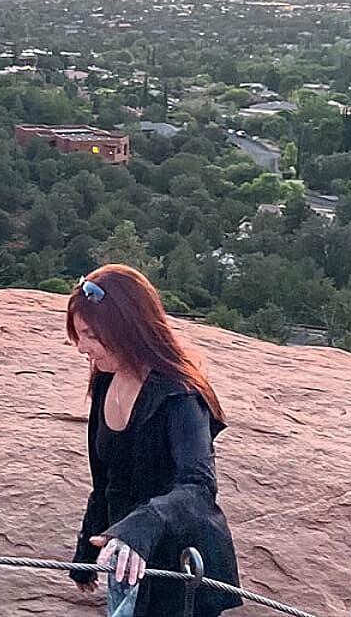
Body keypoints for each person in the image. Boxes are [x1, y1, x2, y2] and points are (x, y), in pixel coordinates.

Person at [66, 264, 241, 617]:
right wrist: (87, 549)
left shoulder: (180, 395)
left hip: (183, 571)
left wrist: (140, 527)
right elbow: (107, 481)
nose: (81, 347)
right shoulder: (105, 380)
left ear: (125, 328)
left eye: (89, 335)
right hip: (126, 559)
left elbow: (198, 486)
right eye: (78, 334)